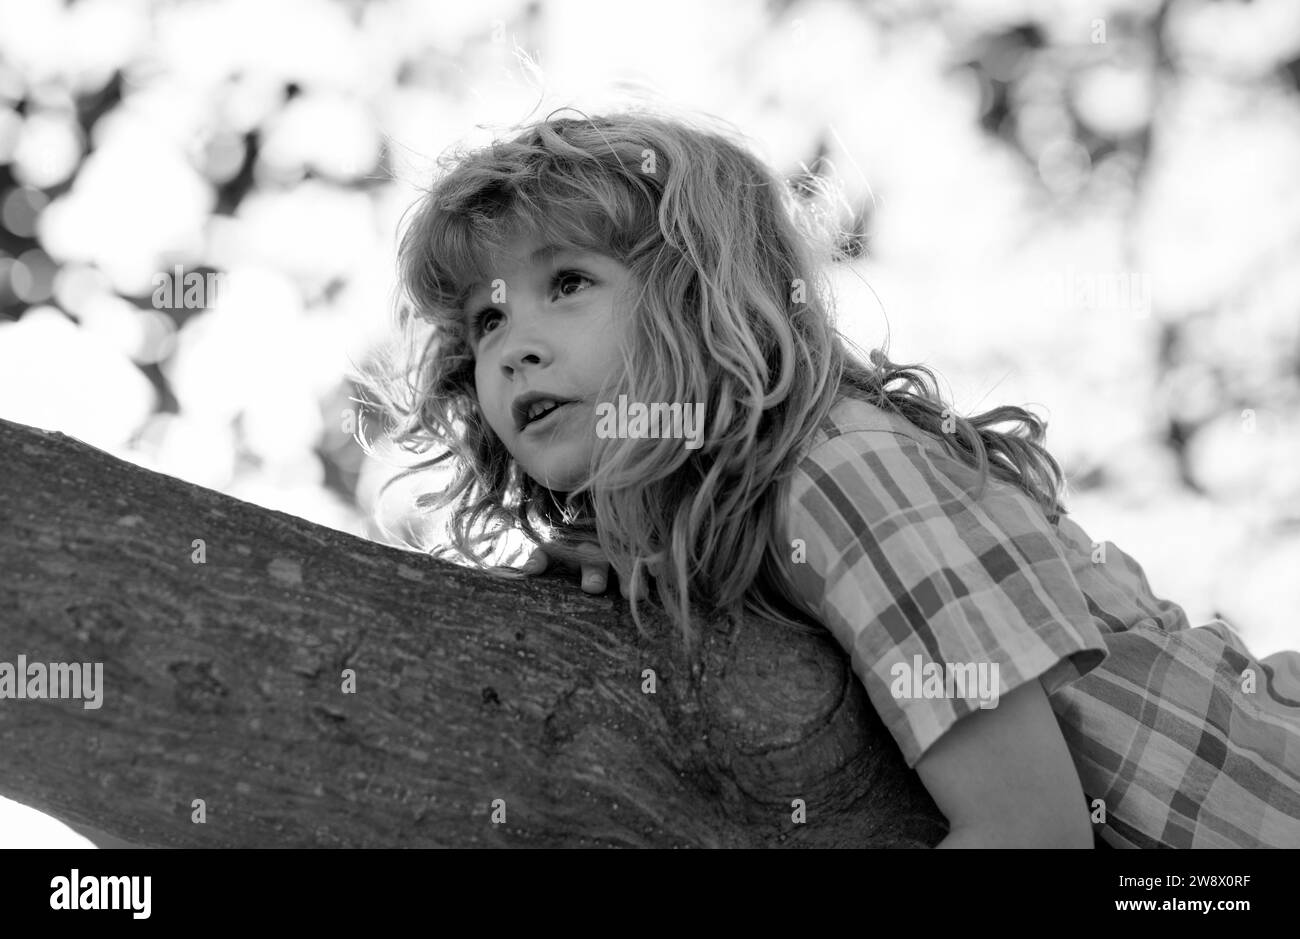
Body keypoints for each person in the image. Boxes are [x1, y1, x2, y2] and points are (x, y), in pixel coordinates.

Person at [357, 107, 1300, 848]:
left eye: (567, 282)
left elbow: (1033, 832)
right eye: (485, 322)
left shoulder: (836, 471)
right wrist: (636, 567)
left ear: (697, 296)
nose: (514, 346)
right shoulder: (753, 519)